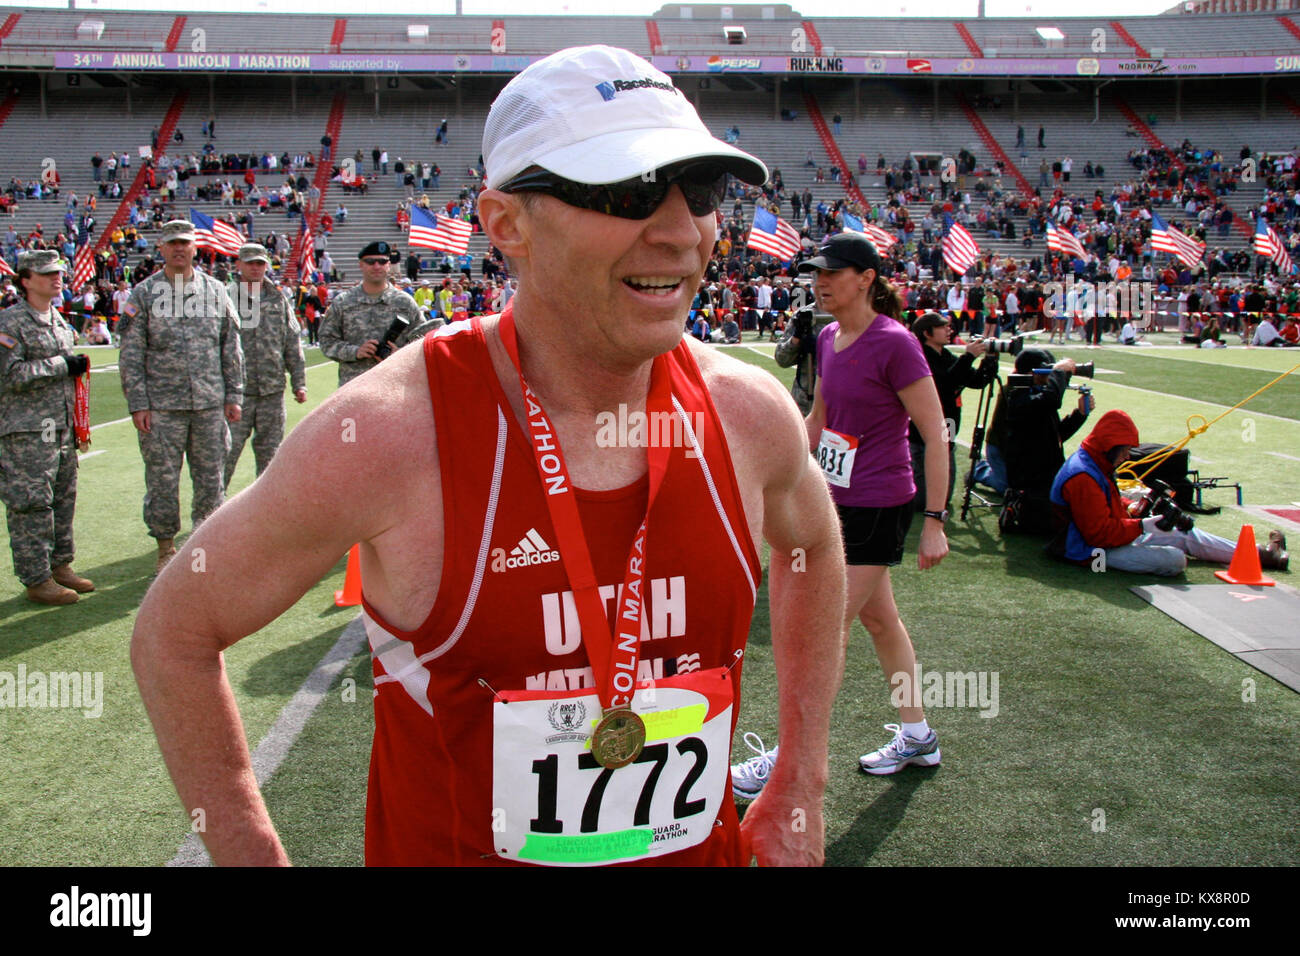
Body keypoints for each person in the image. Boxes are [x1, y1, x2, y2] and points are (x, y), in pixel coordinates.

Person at [131, 44, 845, 867]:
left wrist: (800, 777)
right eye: (629, 191)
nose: (683, 232)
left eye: (704, 192)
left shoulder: (747, 412)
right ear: (506, 224)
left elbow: (813, 545)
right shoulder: (390, 434)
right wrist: (249, 853)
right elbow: (175, 632)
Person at [732, 232, 949, 797]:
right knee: (880, 622)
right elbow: (817, 424)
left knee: (821, 631)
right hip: (834, 502)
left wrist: (935, 520)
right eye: (815, 274)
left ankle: (787, 762)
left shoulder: (897, 343)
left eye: (831, 274)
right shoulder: (828, 337)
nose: (820, 283)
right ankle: (918, 734)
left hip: (880, 504)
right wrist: (771, 483)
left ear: (867, 278)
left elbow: (935, 432)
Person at [119, 219, 244, 574]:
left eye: (184, 243)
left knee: (211, 479)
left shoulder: (217, 290)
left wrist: (233, 394)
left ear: (195, 247)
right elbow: (131, 354)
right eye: (172, 242)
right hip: (162, 408)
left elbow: (229, 347)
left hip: (208, 403)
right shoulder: (144, 294)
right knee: (162, 480)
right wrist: (138, 403)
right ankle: (165, 547)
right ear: (161, 248)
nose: (178, 248)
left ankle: (207, 544)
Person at [1049, 410, 1288, 575]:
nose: (1127, 457)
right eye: (1125, 450)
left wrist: (1136, 508)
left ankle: (1263, 555)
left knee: (1185, 533)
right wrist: (1143, 526)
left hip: (1100, 539)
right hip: (1089, 551)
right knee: (1174, 560)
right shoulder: (1083, 475)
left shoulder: (1095, 460)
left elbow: (1105, 504)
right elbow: (1099, 535)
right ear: (1110, 446)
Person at [0, 250, 94, 605]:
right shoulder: (10, 323)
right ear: (25, 280)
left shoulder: (57, 319)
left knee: (63, 498)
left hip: (60, 428)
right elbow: (9, 375)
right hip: (26, 431)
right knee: (32, 505)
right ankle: (36, 578)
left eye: (58, 272)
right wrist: (60, 364)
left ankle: (60, 565)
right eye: (45, 273)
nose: (56, 278)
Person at [223, 244, 306, 488]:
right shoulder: (225, 297)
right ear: (239, 265)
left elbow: (291, 341)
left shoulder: (278, 298)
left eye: (260, 263)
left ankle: (265, 517)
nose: (256, 268)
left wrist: (299, 382)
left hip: (272, 391)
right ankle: (211, 514)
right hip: (236, 394)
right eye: (250, 263)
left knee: (271, 458)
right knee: (225, 455)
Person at [317, 241, 435, 387]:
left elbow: (423, 343)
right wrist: (355, 352)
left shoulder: (405, 302)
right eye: (370, 262)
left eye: (382, 261)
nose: (377, 266)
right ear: (361, 264)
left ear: (388, 264)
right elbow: (326, 341)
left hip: (394, 388)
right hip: (354, 389)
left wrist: (400, 354)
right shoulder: (343, 302)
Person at [907, 312, 989, 512]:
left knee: (944, 494)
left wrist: (989, 360)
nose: (949, 330)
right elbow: (944, 383)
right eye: (943, 327)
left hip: (948, 422)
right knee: (922, 500)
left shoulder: (946, 356)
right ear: (927, 333)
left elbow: (976, 381)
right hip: (924, 426)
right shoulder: (920, 356)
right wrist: (968, 356)